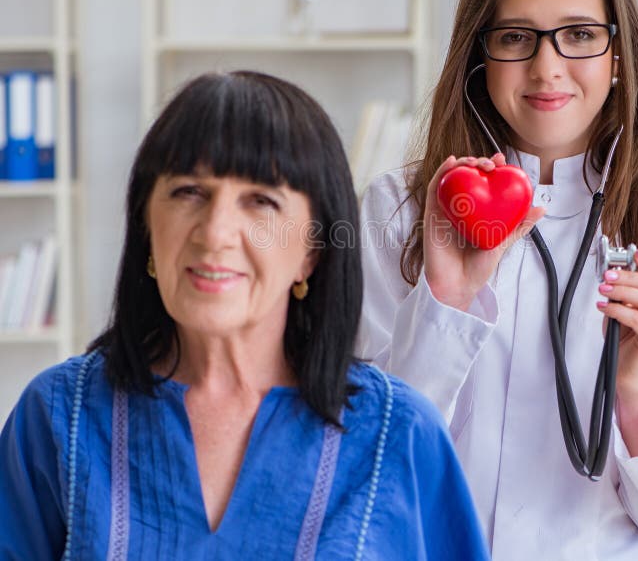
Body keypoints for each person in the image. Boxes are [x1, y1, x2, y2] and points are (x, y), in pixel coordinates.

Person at [358, 0, 638, 560]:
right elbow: (371, 467)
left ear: (618, 57)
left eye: (580, 34)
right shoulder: (399, 211)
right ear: (479, 54)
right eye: (516, 37)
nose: (547, 67)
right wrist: (444, 306)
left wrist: (635, 387)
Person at [0, 71, 490, 560]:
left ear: (312, 253)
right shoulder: (56, 418)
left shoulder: (403, 433)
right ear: (146, 226)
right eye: (188, 192)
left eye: (261, 201)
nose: (215, 233)